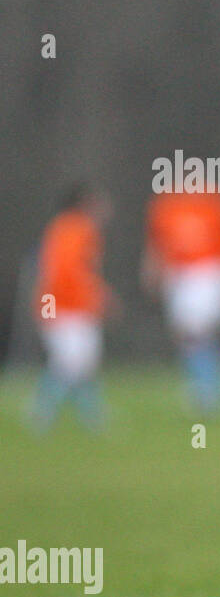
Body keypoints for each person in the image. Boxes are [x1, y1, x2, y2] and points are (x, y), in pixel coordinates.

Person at [142, 186, 220, 413]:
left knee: (200, 331)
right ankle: (207, 387)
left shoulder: (216, 202)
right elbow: (157, 244)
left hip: (212, 271)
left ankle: (209, 392)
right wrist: (152, 271)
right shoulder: (165, 204)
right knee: (187, 336)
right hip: (181, 275)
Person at [30, 184, 114, 432]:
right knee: (71, 362)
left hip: (58, 304)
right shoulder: (78, 228)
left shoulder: (61, 227)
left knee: (80, 362)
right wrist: (97, 297)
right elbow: (69, 271)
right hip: (66, 306)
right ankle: (42, 410)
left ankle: (91, 415)